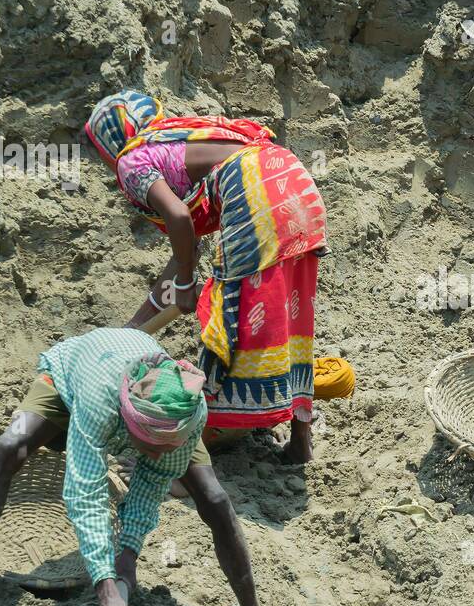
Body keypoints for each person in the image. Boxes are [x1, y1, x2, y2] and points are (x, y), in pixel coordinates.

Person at [0, 328, 278, 606]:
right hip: (71, 375)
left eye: (164, 448)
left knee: (216, 499)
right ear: (129, 424)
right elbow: (87, 491)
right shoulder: (98, 401)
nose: (154, 456)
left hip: (156, 415)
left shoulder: (188, 411)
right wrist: (106, 588)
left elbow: (150, 486)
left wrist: (127, 555)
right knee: (10, 446)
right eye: (149, 447)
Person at [85, 91, 328, 463]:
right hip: (290, 180)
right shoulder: (176, 142)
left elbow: (179, 218)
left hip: (253, 191)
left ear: (109, 142)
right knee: (292, 314)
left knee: (232, 314)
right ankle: (300, 441)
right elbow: (186, 251)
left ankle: (203, 432)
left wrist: (185, 284)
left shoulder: (131, 160)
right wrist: (135, 326)